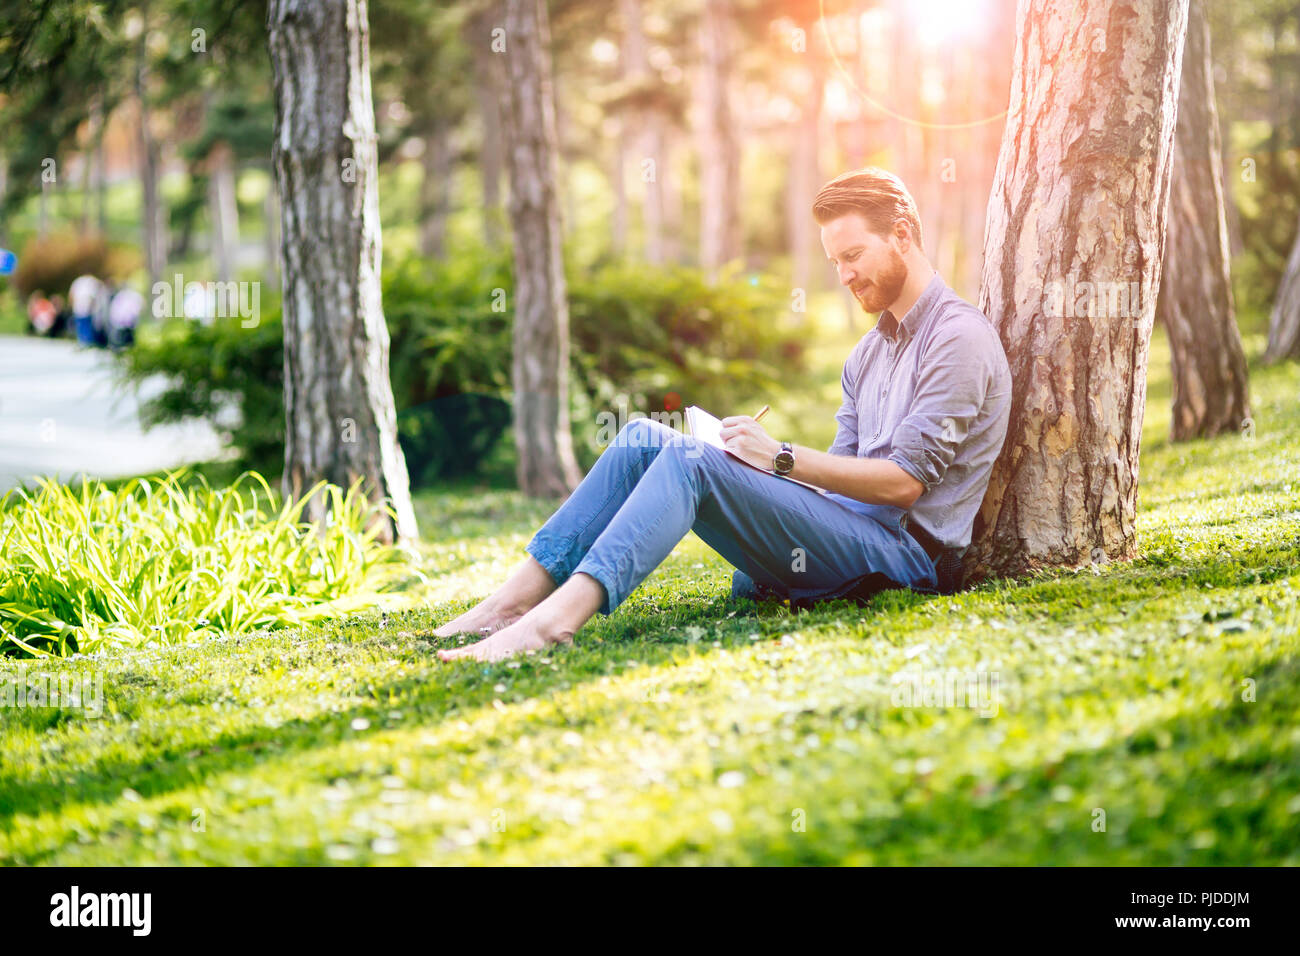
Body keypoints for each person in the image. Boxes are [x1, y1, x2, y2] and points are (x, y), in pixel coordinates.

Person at [436, 168, 1012, 663]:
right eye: (835, 261)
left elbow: (905, 484)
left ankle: (551, 623)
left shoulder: (957, 339)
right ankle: (509, 603)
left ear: (903, 235)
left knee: (689, 459)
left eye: (853, 255)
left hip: (900, 559)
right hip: (843, 534)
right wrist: (752, 464)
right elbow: (841, 472)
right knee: (641, 438)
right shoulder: (866, 355)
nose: (843, 275)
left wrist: (780, 458)